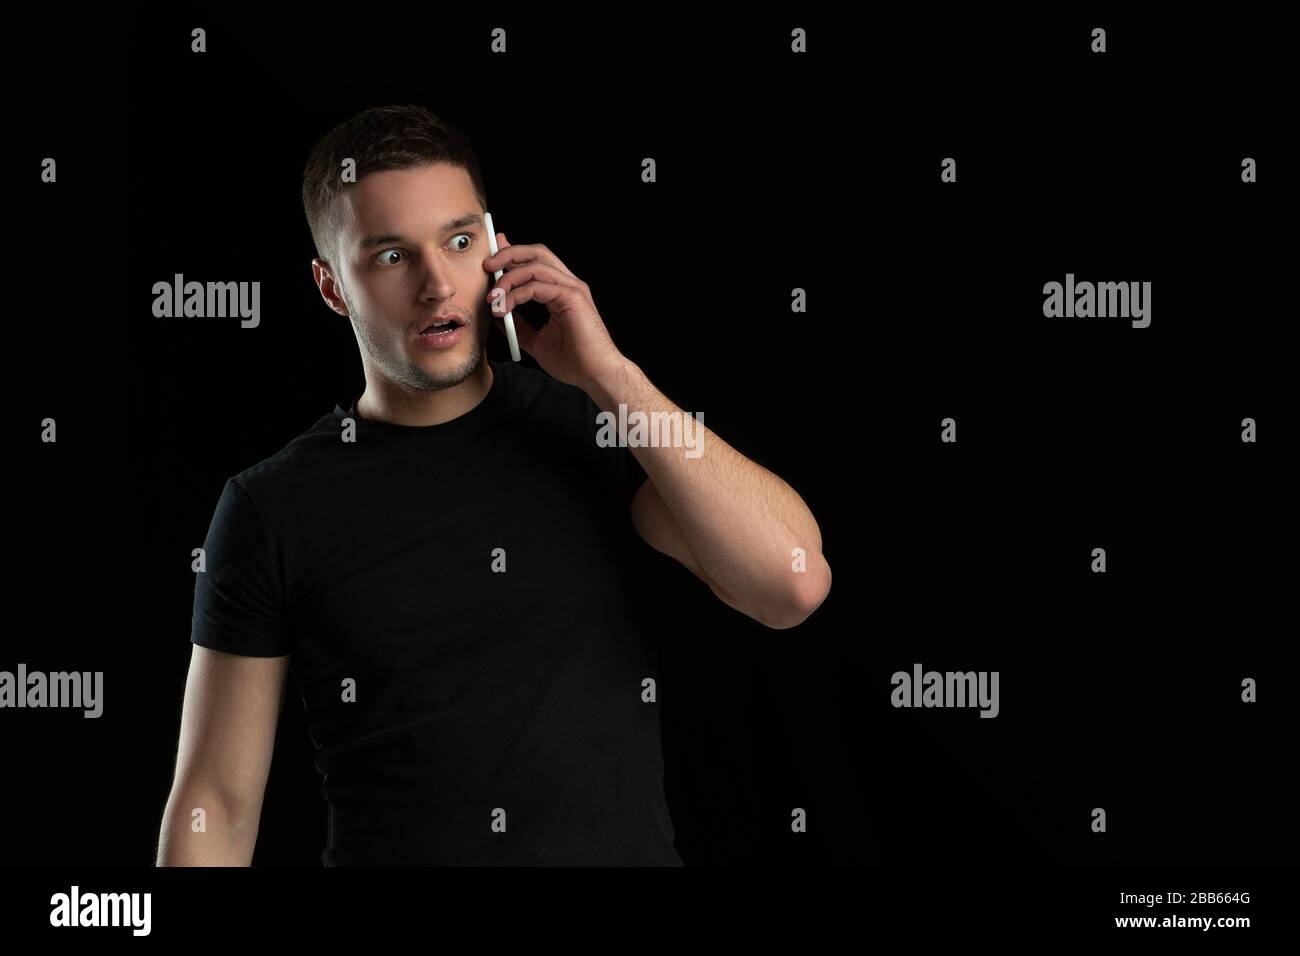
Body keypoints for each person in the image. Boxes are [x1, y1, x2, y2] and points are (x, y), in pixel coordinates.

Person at [156, 103, 831, 866]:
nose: (436, 284)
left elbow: (791, 585)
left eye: (458, 240)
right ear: (330, 287)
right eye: (389, 256)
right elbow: (217, 800)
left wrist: (611, 375)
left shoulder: (594, 427)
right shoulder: (269, 508)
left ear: (497, 245)